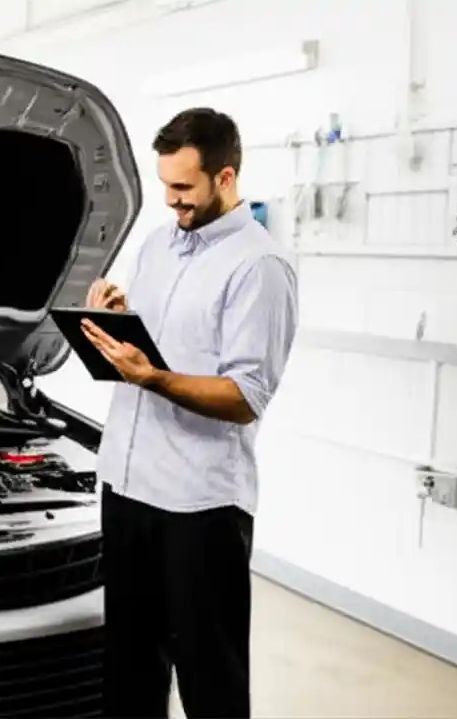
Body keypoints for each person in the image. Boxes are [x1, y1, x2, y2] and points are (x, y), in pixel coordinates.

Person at [80, 107, 299, 718]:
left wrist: (152, 378)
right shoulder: (157, 246)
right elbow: (155, 345)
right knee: (129, 670)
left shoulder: (259, 266)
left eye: (183, 187)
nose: (171, 200)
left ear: (225, 178)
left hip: (198, 506)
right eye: (165, 185)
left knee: (211, 680)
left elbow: (245, 397)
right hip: (128, 486)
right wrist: (115, 316)